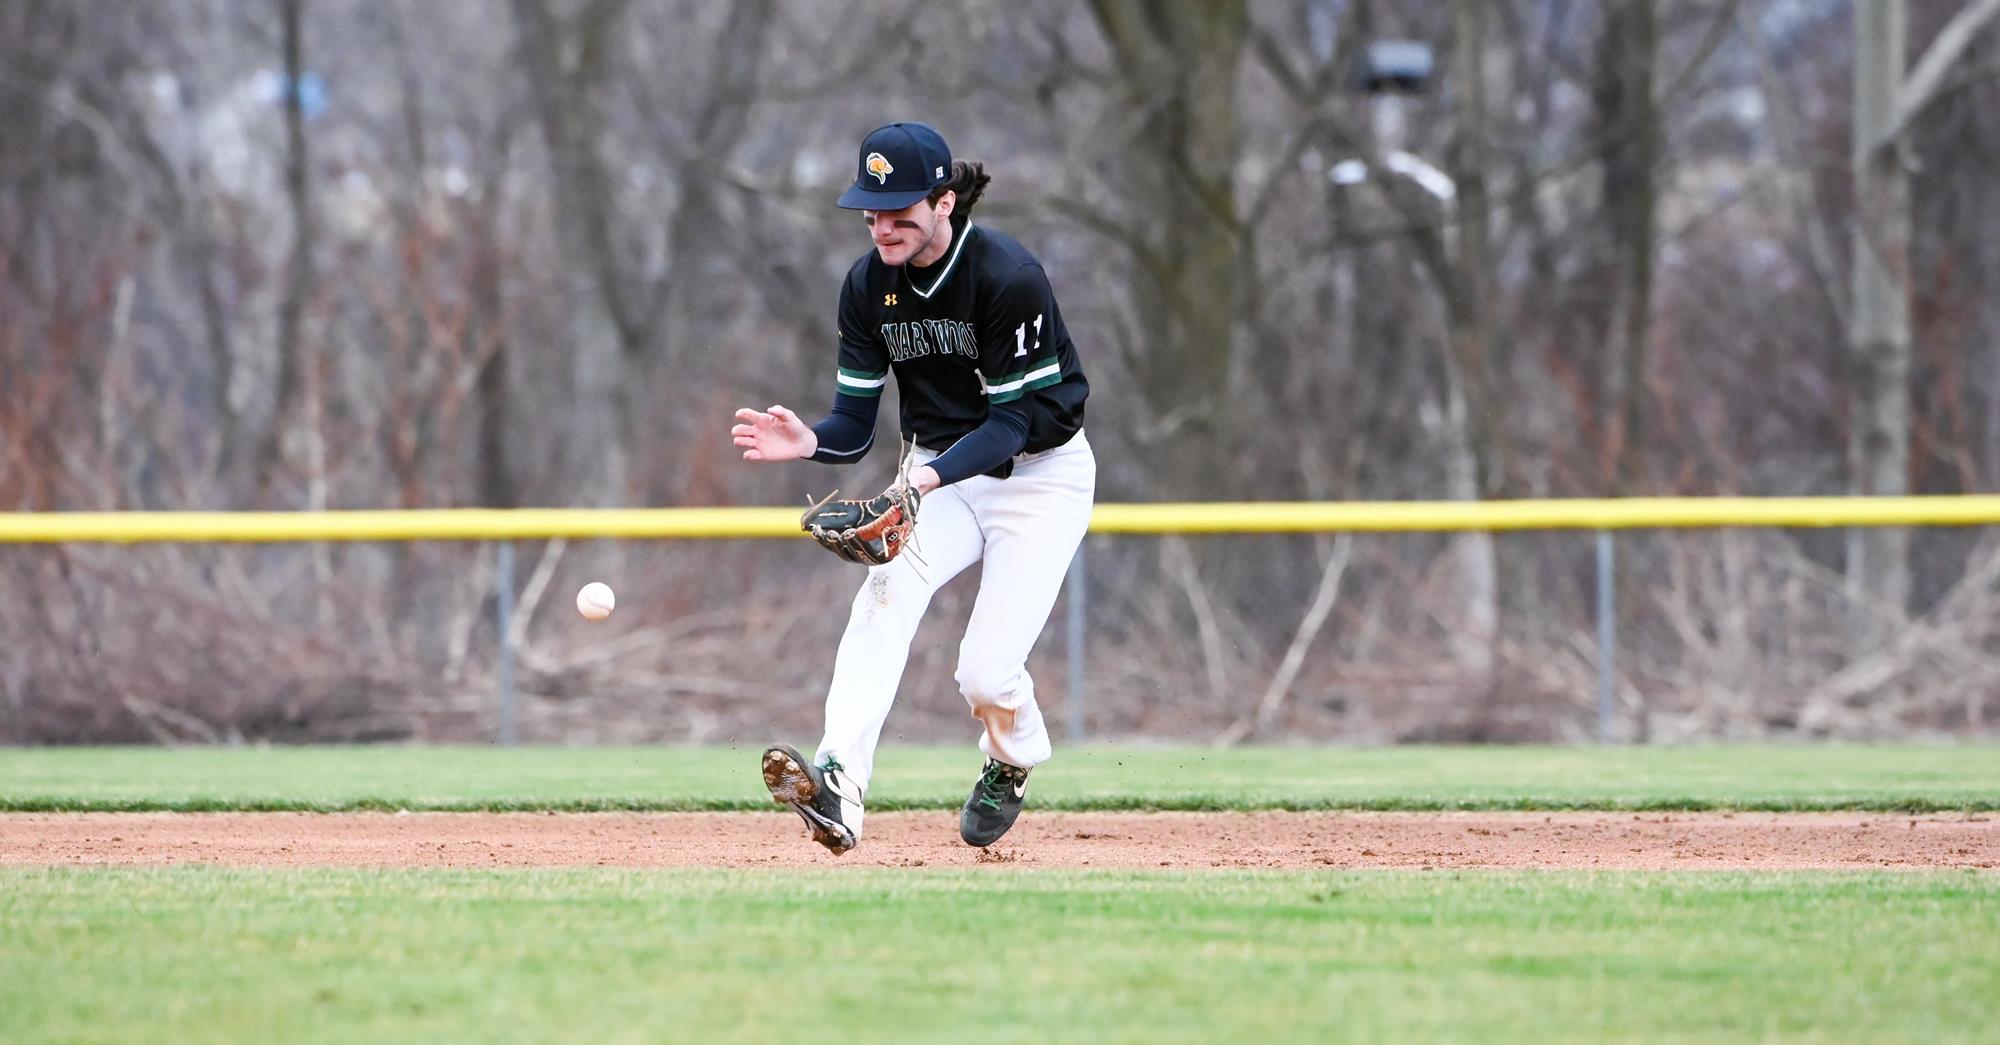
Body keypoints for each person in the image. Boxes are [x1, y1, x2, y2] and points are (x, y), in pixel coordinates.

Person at [730, 121, 1093, 854]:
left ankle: (1013, 755)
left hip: (1038, 477)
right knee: (883, 599)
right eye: (872, 211)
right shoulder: (867, 287)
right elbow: (855, 423)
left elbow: (1011, 425)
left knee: (984, 672)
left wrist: (916, 484)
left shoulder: (1006, 276)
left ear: (944, 201)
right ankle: (838, 785)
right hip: (941, 472)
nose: (883, 227)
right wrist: (811, 442)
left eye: (900, 210)